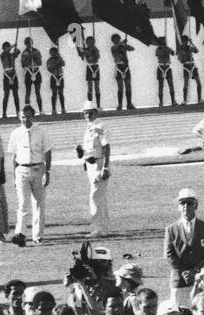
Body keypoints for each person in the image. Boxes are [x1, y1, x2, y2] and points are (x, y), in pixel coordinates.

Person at [7, 105, 52, 248]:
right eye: (22, 117)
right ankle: (20, 234)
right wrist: (14, 176)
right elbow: (14, 156)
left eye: (27, 116)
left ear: (32, 116)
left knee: (39, 203)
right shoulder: (16, 133)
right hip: (22, 170)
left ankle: (38, 236)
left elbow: (48, 152)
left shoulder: (41, 131)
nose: (25, 119)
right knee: (22, 204)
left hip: (38, 168)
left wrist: (47, 172)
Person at [164, 189, 204, 308]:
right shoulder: (171, 229)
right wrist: (184, 272)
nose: (186, 206)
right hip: (179, 281)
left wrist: (195, 271)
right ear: (178, 206)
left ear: (196, 205)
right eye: (182, 203)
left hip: (202, 280)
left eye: (190, 202)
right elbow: (169, 255)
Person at [79, 102, 111, 239]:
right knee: (99, 198)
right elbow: (90, 148)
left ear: (96, 112)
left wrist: (105, 167)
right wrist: (83, 155)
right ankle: (103, 228)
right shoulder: (89, 127)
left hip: (98, 164)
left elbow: (106, 147)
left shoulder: (99, 126)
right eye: (86, 112)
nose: (88, 115)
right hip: (91, 164)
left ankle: (99, 229)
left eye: (91, 112)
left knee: (95, 197)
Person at [109, 34, 134, 110]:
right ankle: (120, 105)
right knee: (120, 87)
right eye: (115, 40)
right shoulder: (113, 47)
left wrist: (126, 46)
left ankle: (129, 104)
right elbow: (115, 48)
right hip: (119, 67)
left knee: (128, 86)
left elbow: (132, 49)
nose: (116, 41)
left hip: (126, 67)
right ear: (112, 41)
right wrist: (122, 43)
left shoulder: (122, 45)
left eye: (118, 39)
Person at [21, 36, 44, 112]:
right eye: (27, 43)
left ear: (32, 43)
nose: (29, 44)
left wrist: (35, 57)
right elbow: (23, 65)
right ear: (25, 44)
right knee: (28, 91)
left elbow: (40, 63)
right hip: (29, 71)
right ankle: (27, 110)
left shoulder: (36, 51)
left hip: (36, 70)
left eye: (30, 42)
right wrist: (29, 58)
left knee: (38, 91)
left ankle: (41, 110)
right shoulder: (24, 53)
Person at [0, 41, 20, 118]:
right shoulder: (2, 55)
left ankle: (18, 112)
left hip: (13, 75)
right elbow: (5, 51)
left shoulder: (12, 55)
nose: (7, 49)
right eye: (6, 47)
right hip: (7, 75)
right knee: (6, 95)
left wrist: (16, 49)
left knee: (16, 95)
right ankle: (4, 113)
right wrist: (12, 46)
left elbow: (18, 52)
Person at [81, 35, 102, 108]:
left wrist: (94, 49)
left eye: (92, 42)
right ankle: (90, 105)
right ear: (86, 42)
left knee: (97, 87)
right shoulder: (85, 49)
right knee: (90, 87)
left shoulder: (95, 49)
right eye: (89, 42)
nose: (91, 43)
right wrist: (87, 50)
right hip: (89, 67)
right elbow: (85, 56)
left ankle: (98, 105)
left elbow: (98, 56)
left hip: (96, 66)